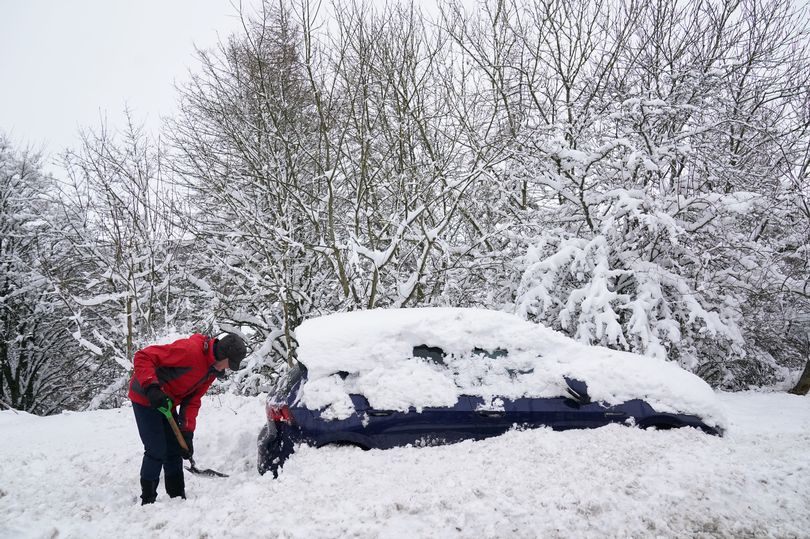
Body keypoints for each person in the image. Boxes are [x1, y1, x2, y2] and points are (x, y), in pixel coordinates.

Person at [128, 332, 247, 505]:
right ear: (222, 355)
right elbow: (143, 356)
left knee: (175, 449)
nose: (227, 369)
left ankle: (177, 496)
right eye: (229, 364)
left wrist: (187, 432)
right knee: (156, 449)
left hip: (166, 402)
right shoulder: (190, 351)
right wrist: (151, 387)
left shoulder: (211, 371)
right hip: (145, 395)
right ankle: (148, 501)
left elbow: (192, 401)